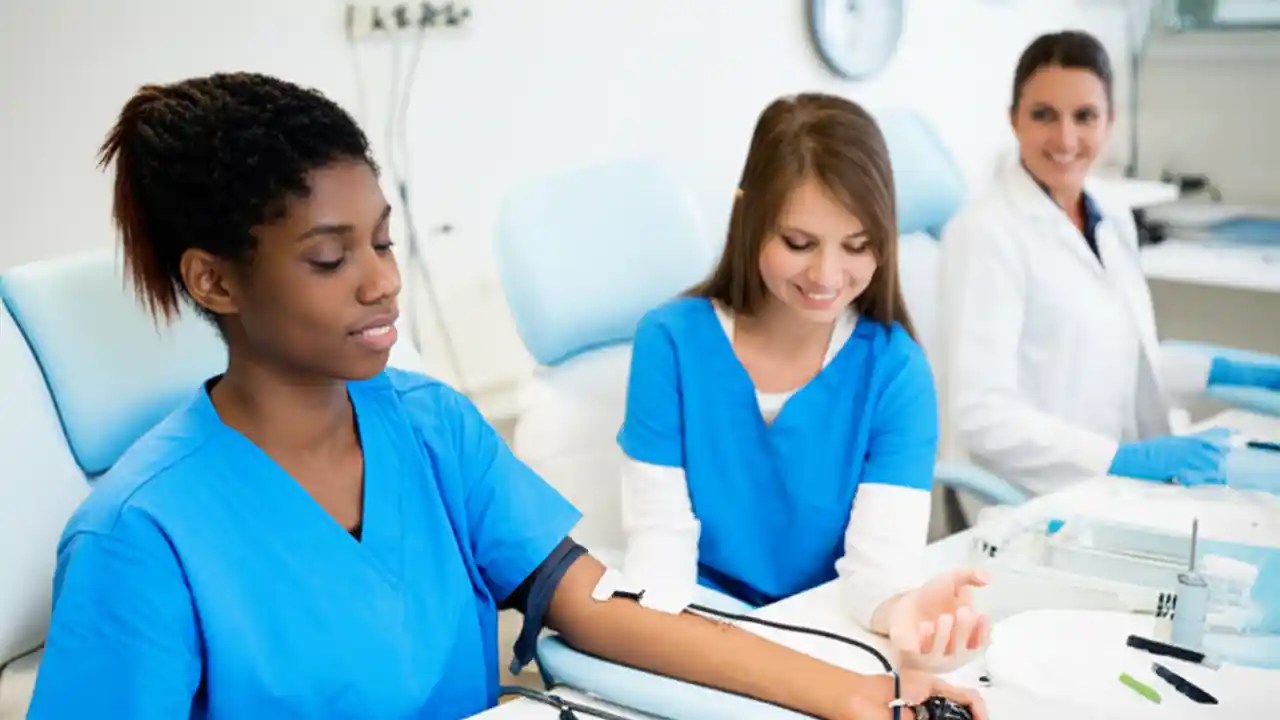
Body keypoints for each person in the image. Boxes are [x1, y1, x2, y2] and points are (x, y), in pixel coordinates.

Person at [25, 73, 985, 720]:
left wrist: (869, 696)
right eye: (330, 258)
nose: (381, 282)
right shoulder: (140, 537)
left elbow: (598, 608)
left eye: (384, 241)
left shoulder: (431, 427)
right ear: (214, 282)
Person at [616, 93, 990, 671]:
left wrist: (906, 609)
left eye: (857, 246)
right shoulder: (670, 342)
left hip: (829, 639)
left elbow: (877, 572)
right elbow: (660, 549)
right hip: (697, 632)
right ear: (748, 216)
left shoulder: (895, 371)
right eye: (799, 243)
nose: (827, 275)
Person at [941, 30, 1280, 498]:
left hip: (1117, 479)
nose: (1065, 138)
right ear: (1014, 119)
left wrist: (1229, 373)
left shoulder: (1109, 214)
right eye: (1043, 115)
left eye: (1085, 116)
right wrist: (1119, 459)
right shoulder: (985, 232)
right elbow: (981, 414)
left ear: (1110, 121)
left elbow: (1119, 355)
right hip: (1034, 498)